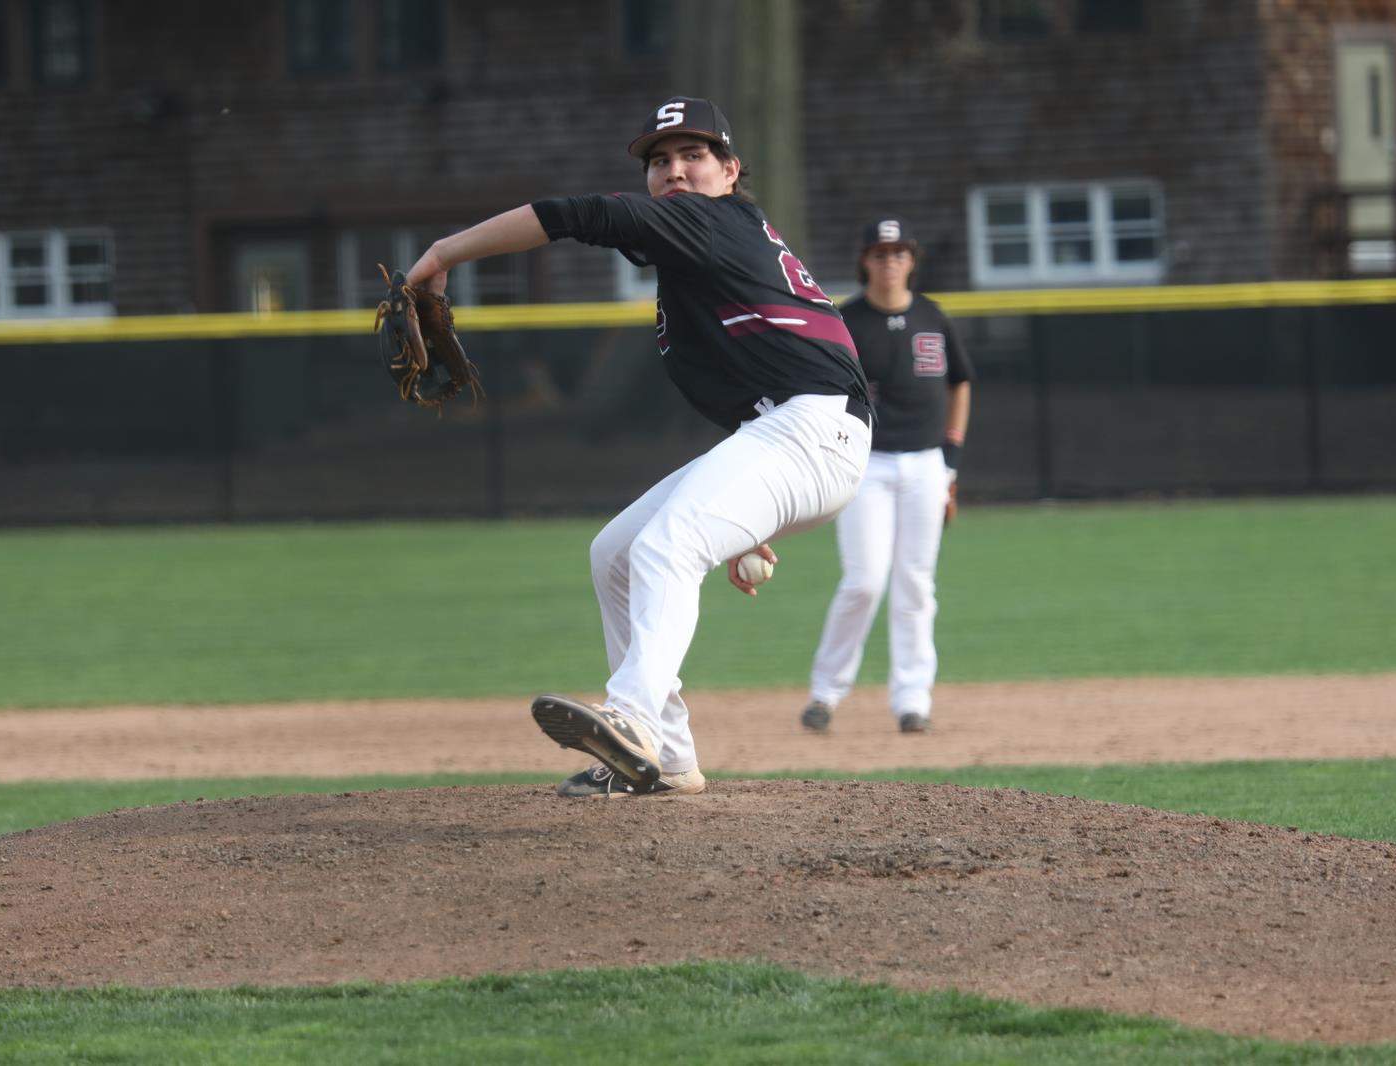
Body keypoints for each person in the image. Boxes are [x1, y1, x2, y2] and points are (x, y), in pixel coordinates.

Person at [406, 96, 872, 798]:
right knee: (618, 554)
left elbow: (577, 215)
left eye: (693, 155)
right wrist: (755, 513)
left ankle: (631, 718)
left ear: (730, 170)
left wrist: (444, 254)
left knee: (666, 546)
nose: (674, 171)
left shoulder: (710, 221)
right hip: (791, 433)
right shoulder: (699, 257)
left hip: (814, 430)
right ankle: (672, 758)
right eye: (660, 160)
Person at [800, 218, 973, 735]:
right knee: (864, 582)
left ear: (911, 260)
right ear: (865, 261)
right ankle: (825, 693)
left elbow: (961, 383)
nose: (890, 261)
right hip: (866, 465)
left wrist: (951, 460)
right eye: (880, 253)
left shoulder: (933, 316)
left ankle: (912, 701)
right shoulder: (846, 320)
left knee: (916, 584)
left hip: (925, 464)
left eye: (899, 253)